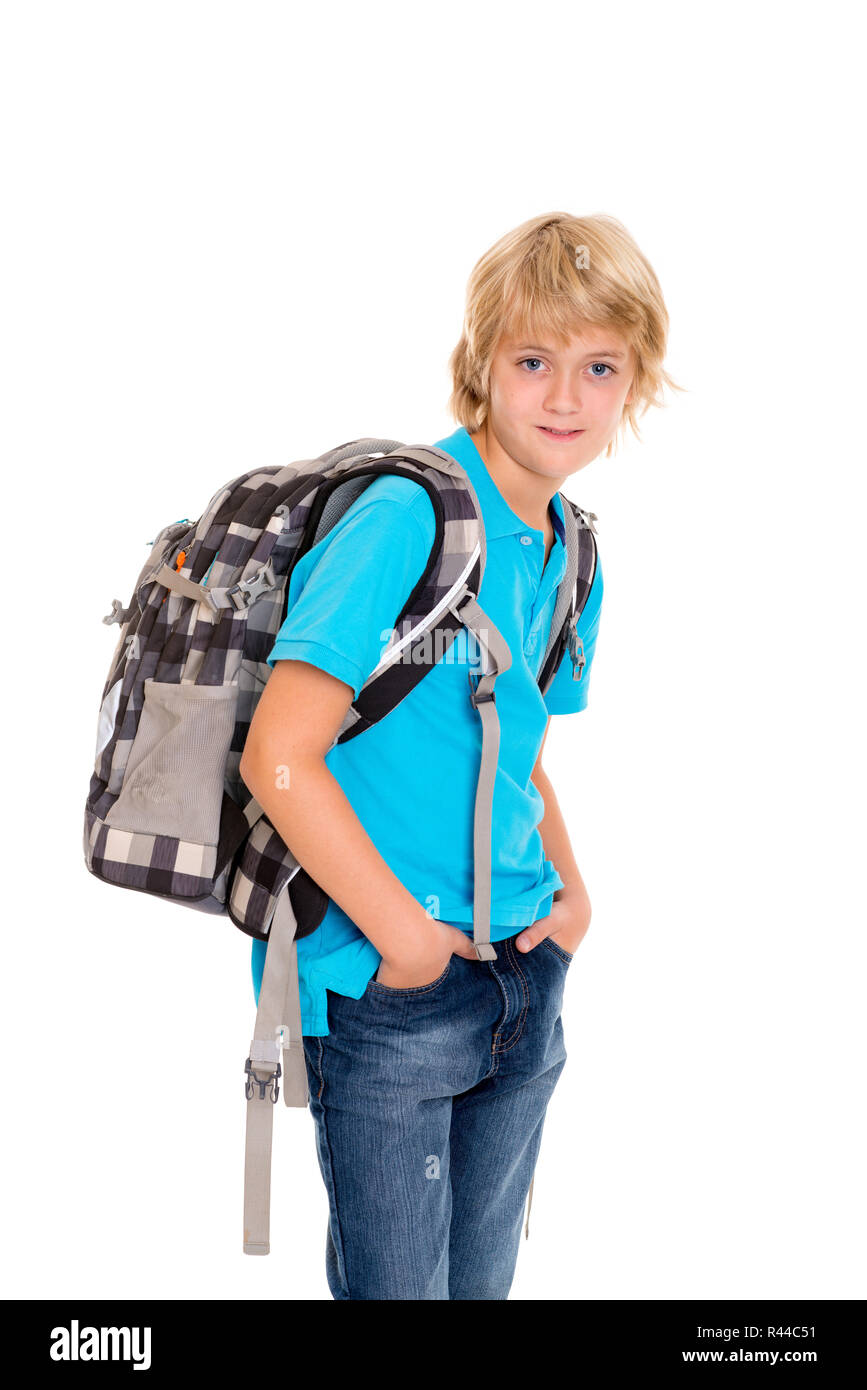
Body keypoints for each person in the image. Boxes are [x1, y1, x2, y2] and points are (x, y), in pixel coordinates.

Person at [239, 211, 677, 1299]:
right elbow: (278, 755)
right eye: (534, 360)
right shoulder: (407, 516)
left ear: (637, 380)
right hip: (389, 992)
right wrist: (406, 941)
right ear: (480, 364)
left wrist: (572, 901)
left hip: (522, 976)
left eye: (599, 366)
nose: (565, 397)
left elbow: (517, 752)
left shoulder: (572, 545)